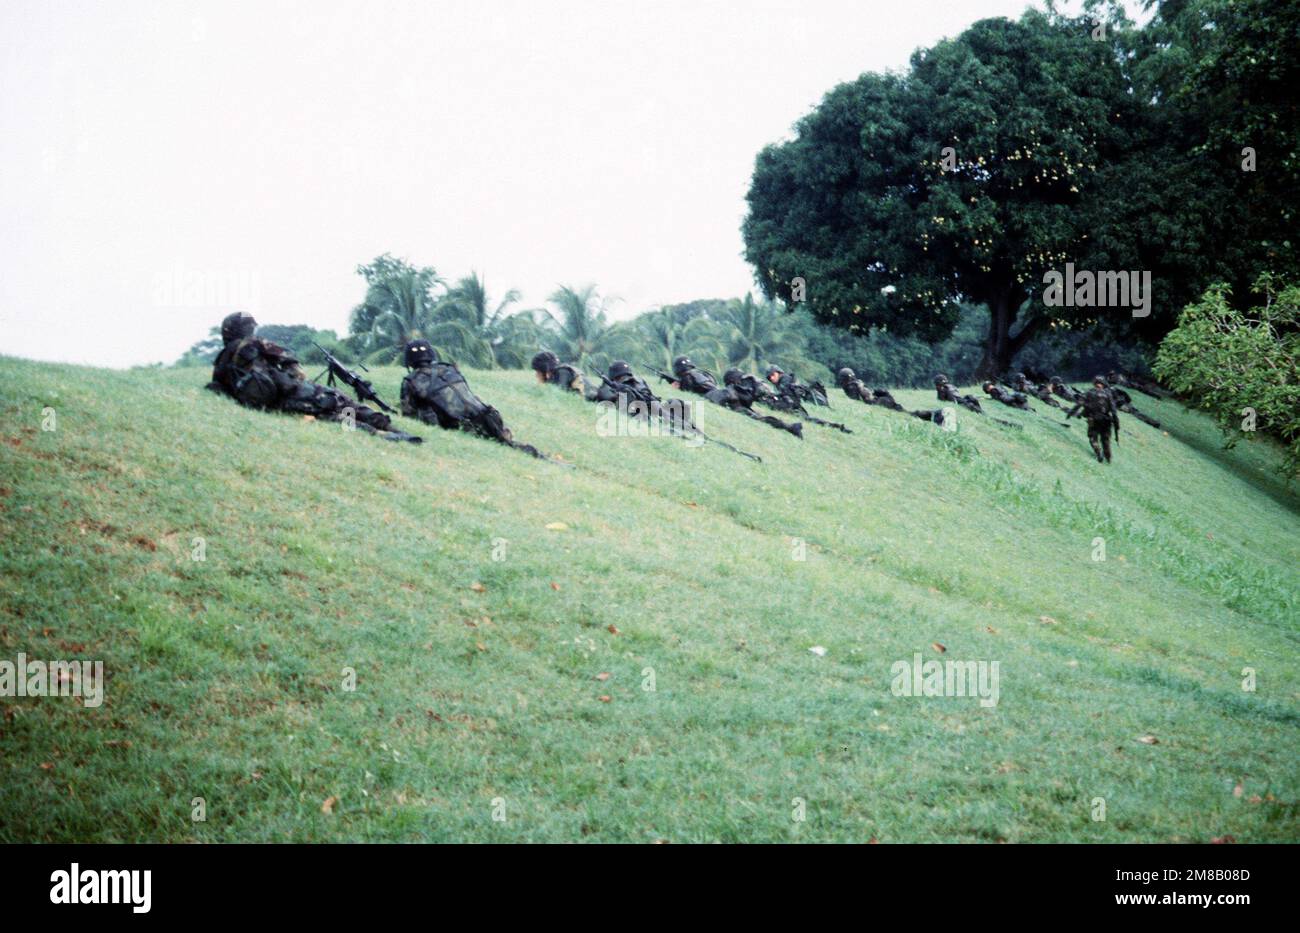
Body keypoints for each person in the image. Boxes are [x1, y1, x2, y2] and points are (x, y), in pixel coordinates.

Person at [207, 312, 421, 442]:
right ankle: (389, 430)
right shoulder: (254, 344)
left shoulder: (221, 363)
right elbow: (288, 358)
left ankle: (379, 434)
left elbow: (217, 388)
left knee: (332, 416)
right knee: (344, 404)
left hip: (279, 404)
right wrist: (294, 376)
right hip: (296, 393)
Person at [401, 340, 542, 457]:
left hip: (461, 425)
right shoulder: (450, 369)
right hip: (488, 417)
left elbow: (408, 414)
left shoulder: (411, 381)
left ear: (409, 360)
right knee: (508, 444)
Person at [1066, 375, 1121, 463]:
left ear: (1094, 383)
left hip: (1093, 419)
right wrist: (1116, 424)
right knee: (1105, 440)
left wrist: (1070, 413)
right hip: (1106, 420)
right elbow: (1114, 411)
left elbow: (1079, 404)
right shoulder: (1108, 395)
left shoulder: (1089, 392)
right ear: (1103, 384)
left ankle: (1098, 451)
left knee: (1092, 437)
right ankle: (1108, 458)